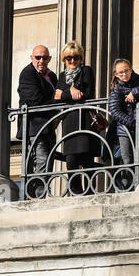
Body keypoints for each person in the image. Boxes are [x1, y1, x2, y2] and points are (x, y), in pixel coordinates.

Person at [55, 41, 99, 195]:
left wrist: (66, 93)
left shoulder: (86, 71)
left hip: (85, 120)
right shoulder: (61, 75)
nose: (72, 61)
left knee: (87, 159)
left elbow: (87, 94)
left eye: (76, 58)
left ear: (81, 59)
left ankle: (89, 192)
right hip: (69, 121)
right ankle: (76, 192)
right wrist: (71, 91)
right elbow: (57, 96)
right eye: (69, 58)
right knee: (71, 160)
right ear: (64, 60)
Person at [108, 58, 139, 188]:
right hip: (125, 130)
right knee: (127, 161)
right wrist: (135, 124)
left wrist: (134, 92)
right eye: (121, 73)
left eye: (126, 71)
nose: (124, 75)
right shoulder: (116, 89)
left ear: (131, 69)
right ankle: (126, 190)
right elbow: (115, 111)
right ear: (115, 74)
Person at [18, 44, 59, 198]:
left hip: (48, 126)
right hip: (34, 127)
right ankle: (35, 197)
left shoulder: (52, 76)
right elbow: (35, 101)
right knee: (41, 160)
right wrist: (58, 103)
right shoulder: (28, 74)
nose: (41, 60)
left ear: (49, 58)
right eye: (38, 57)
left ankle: (39, 195)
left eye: (45, 57)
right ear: (32, 58)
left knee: (48, 162)